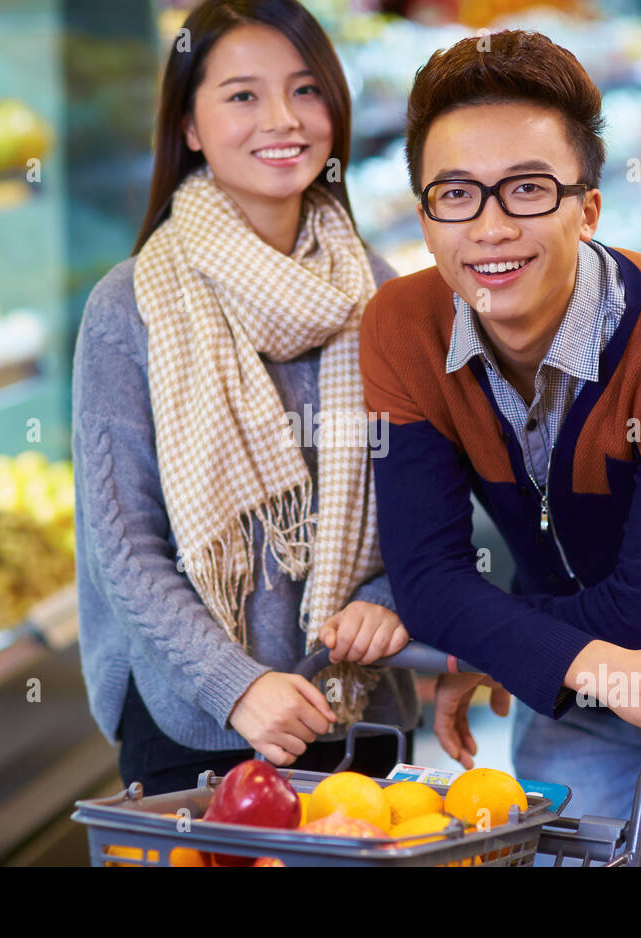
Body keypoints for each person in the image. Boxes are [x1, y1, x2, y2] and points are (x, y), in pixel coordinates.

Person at [359, 30, 641, 865]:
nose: (490, 229)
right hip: (577, 681)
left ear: (587, 207)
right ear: (424, 218)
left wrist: (485, 640)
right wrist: (517, 644)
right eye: (455, 194)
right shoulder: (399, 327)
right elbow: (423, 581)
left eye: (526, 190)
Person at [72, 0, 418, 797]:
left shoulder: (386, 293)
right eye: (241, 95)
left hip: (354, 711)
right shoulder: (129, 307)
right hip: (191, 723)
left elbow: (424, 498)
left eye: (305, 91)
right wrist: (237, 684)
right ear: (188, 125)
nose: (282, 120)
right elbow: (124, 547)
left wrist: (386, 597)